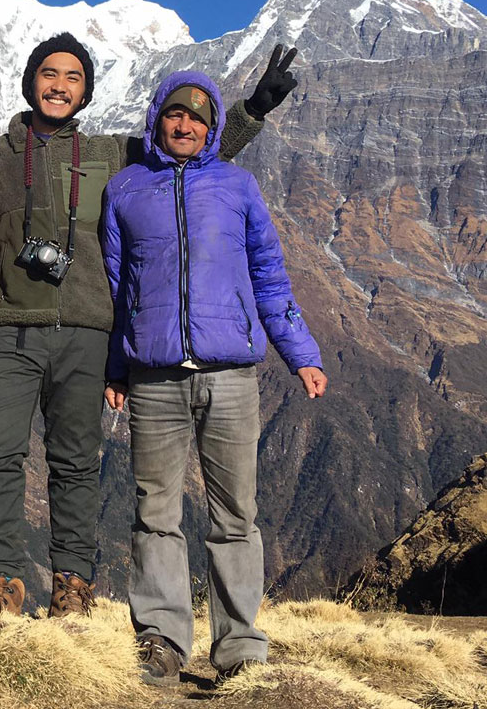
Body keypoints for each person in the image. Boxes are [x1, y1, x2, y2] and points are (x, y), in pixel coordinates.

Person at [0, 35, 299, 617]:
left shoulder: (111, 156)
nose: (59, 86)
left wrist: (251, 112)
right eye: (49, 74)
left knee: (75, 462)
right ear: (29, 81)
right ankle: (1, 583)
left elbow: (189, 158)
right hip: (9, 327)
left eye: (73, 77)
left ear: (85, 91)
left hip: (90, 330)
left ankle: (72, 585)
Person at [99, 70, 327, 685]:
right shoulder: (125, 191)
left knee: (235, 515)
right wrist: (118, 365)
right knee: (156, 512)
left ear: (213, 127)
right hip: (153, 378)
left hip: (231, 374)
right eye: (175, 116)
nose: (185, 126)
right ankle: (162, 640)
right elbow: (120, 291)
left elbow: (270, 276)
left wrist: (300, 353)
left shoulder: (238, 186)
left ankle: (240, 647)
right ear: (157, 120)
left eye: (197, 119)